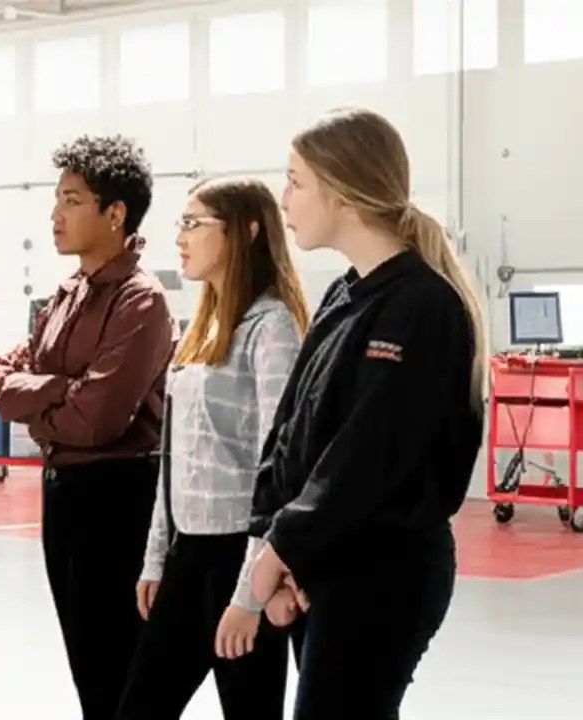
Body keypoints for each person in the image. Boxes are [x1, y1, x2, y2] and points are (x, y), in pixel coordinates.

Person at [245, 107, 487, 719]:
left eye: (296, 181)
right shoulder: (344, 292)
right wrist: (275, 538)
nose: (285, 198)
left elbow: (367, 454)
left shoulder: (422, 306)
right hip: (324, 564)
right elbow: (293, 430)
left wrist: (280, 550)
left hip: (382, 575)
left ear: (342, 191)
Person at [0, 134, 176, 720]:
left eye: (71, 200)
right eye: (56, 198)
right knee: (86, 664)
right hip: (64, 495)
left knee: (117, 668)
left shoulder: (142, 302)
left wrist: (46, 395)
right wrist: (62, 389)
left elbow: (96, 420)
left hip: (116, 501)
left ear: (115, 214)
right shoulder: (67, 293)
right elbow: (4, 382)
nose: (55, 214)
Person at [115, 176, 309, 719]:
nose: (180, 236)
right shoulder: (201, 326)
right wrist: (156, 556)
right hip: (189, 553)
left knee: (250, 709)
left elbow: (281, 468)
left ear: (246, 231)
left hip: (240, 557)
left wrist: (250, 593)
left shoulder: (273, 328)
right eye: (180, 223)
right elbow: (172, 457)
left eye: (193, 223)